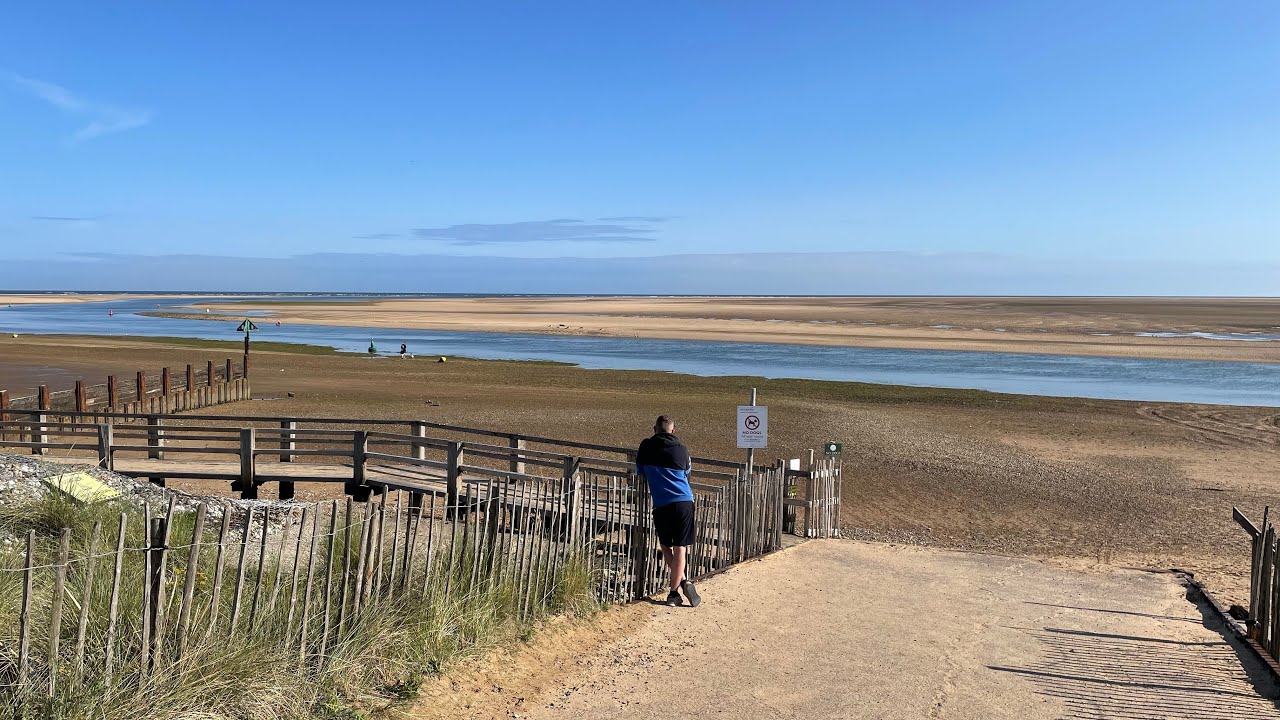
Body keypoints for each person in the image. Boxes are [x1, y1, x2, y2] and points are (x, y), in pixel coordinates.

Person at [635, 415, 701, 607]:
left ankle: (681, 583)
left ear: (654, 429)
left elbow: (640, 469)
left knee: (665, 545)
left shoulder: (646, 447)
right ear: (673, 430)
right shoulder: (682, 450)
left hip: (661, 503)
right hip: (684, 502)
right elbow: (688, 472)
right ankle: (676, 590)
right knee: (681, 547)